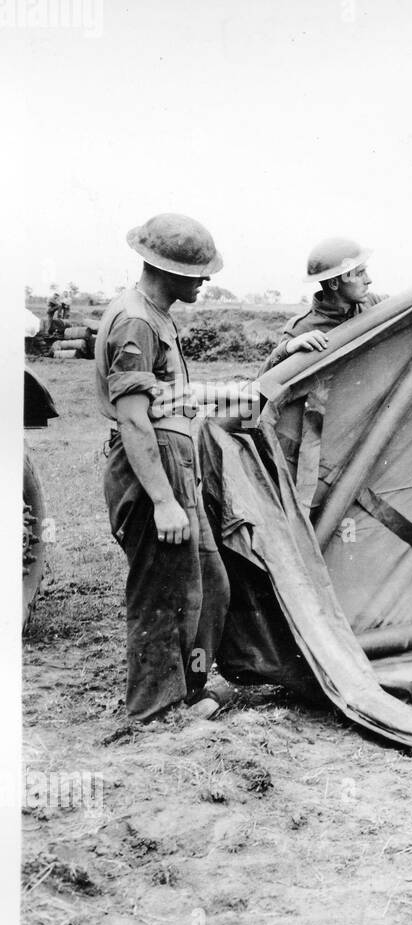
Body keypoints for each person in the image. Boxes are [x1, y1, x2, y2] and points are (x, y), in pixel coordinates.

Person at [96, 212, 231, 722]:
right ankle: (154, 713)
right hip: (150, 472)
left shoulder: (155, 314)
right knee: (159, 592)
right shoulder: (135, 320)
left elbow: (163, 400)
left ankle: (187, 691)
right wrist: (163, 501)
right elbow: (133, 420)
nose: (204, 280)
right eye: (196, 271)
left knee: (208, 586)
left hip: (171, 464)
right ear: (166, 269)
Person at [259, 237, 386, 373]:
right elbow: (264, 382)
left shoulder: (374, 303)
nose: (369, 280)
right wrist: (286, 349)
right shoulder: (302, 329)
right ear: (334, 283)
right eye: (360, 273)